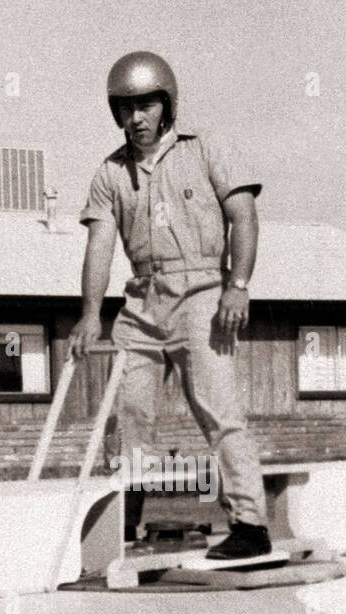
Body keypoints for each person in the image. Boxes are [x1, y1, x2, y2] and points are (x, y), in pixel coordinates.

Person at [68, 51, 271, 560]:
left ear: (166, 104)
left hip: (203, 294)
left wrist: (238, 285)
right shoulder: (110, 173)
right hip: (141, 301)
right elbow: (99, 247)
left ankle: (250, 524)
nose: (136, 118)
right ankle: (126, 516)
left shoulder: (205, 150)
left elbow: (242, 217)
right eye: (126, 108)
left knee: (217, 409)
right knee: (131, 413)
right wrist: (91, 315)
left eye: (146, 106)